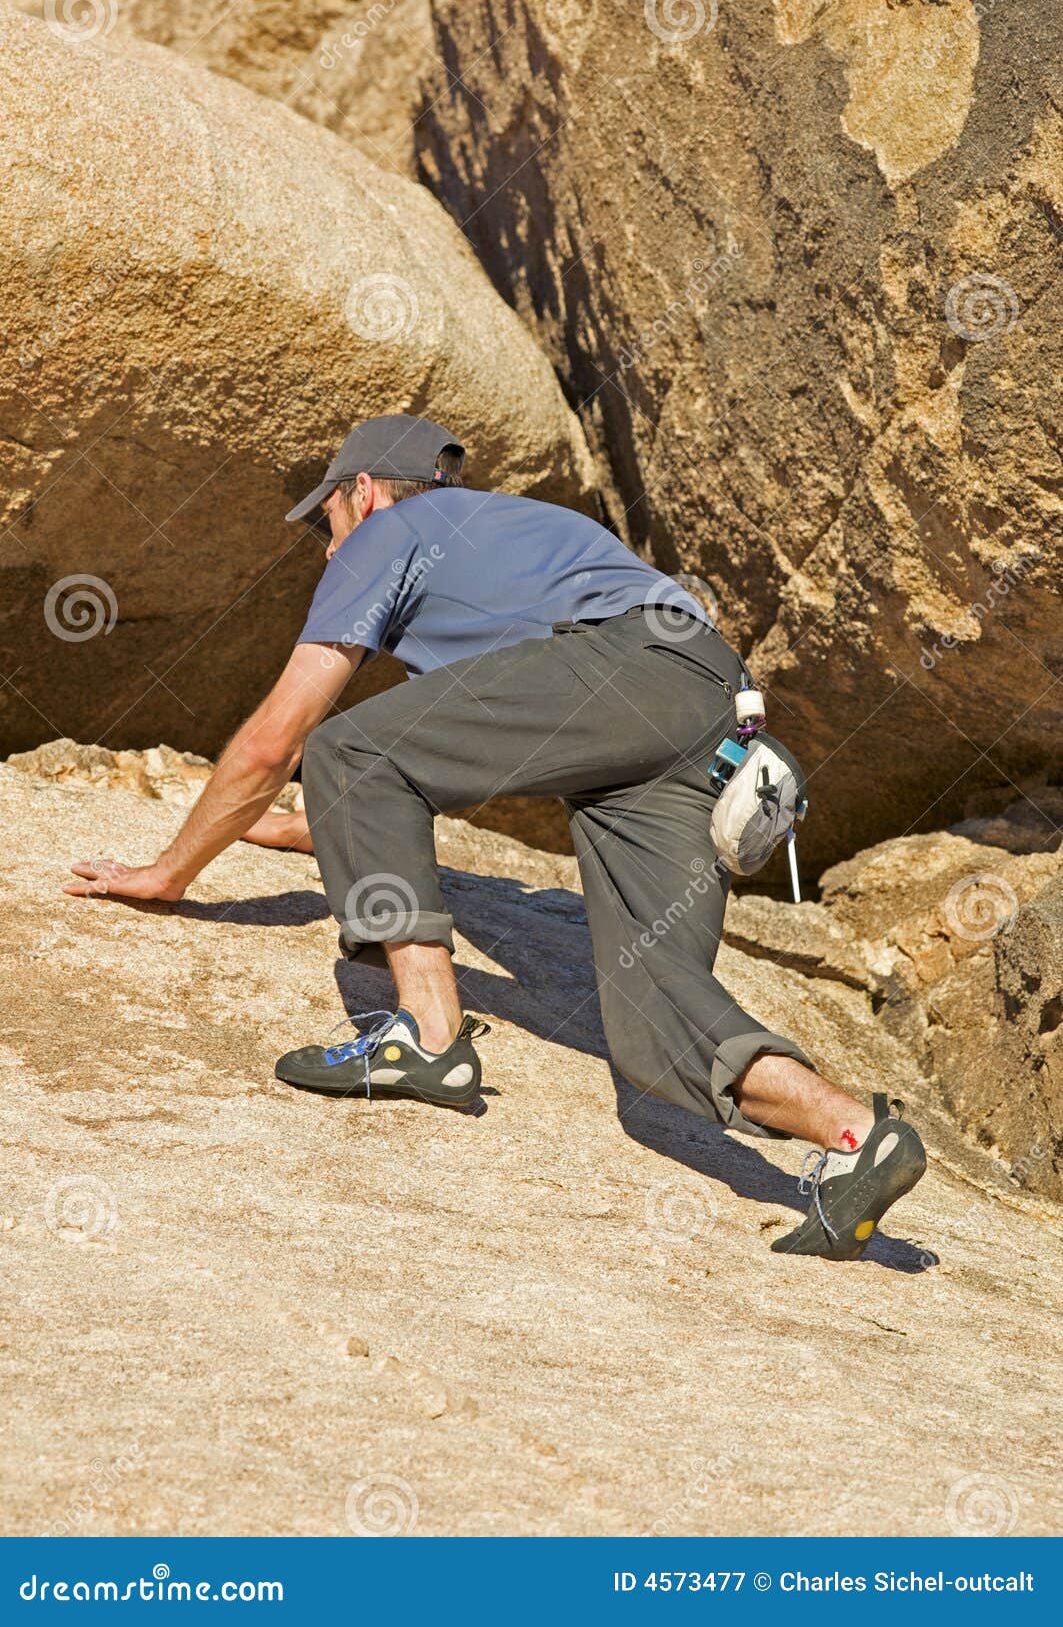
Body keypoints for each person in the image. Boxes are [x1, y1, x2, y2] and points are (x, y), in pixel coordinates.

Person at [64, 414, 926, 1259]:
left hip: (624, 671)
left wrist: (168, 873)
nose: (326, 549)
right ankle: (855, 1135)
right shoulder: (512, 537)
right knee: (648, 1012)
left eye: (325, 521)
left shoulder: (389, 532)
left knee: (346, 745)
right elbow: (463, 754)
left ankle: (427, 1037)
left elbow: (275, 744)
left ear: (363, 494)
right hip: (707, 715)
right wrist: (320, 823)